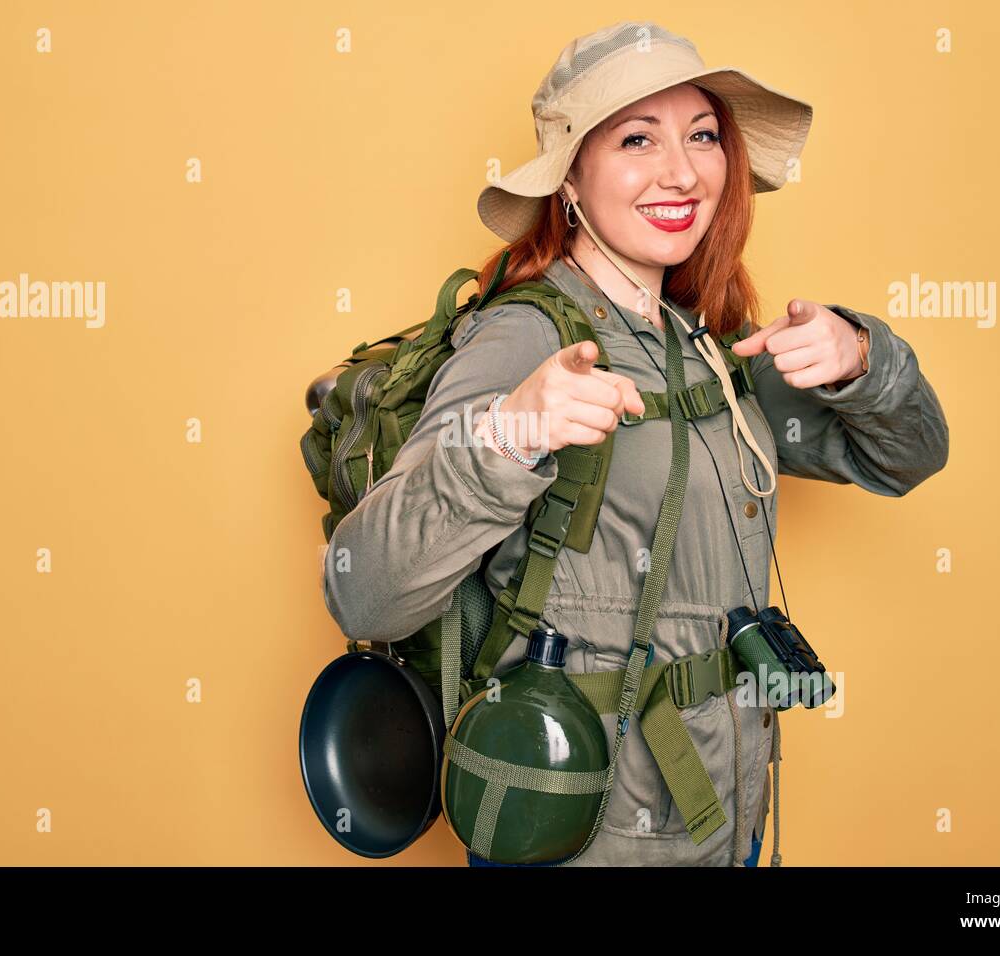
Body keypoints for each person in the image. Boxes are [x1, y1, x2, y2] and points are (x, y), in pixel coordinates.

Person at [322, 20, 948, 867]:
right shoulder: (522, 336)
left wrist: (862, 361)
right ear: (571, 178)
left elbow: (906, 457)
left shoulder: (707, 351)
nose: (682, 171)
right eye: (636, 138)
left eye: (700, 136)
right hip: (584, 831)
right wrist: (509, 435)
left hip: (726, 817)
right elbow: (365, 593)